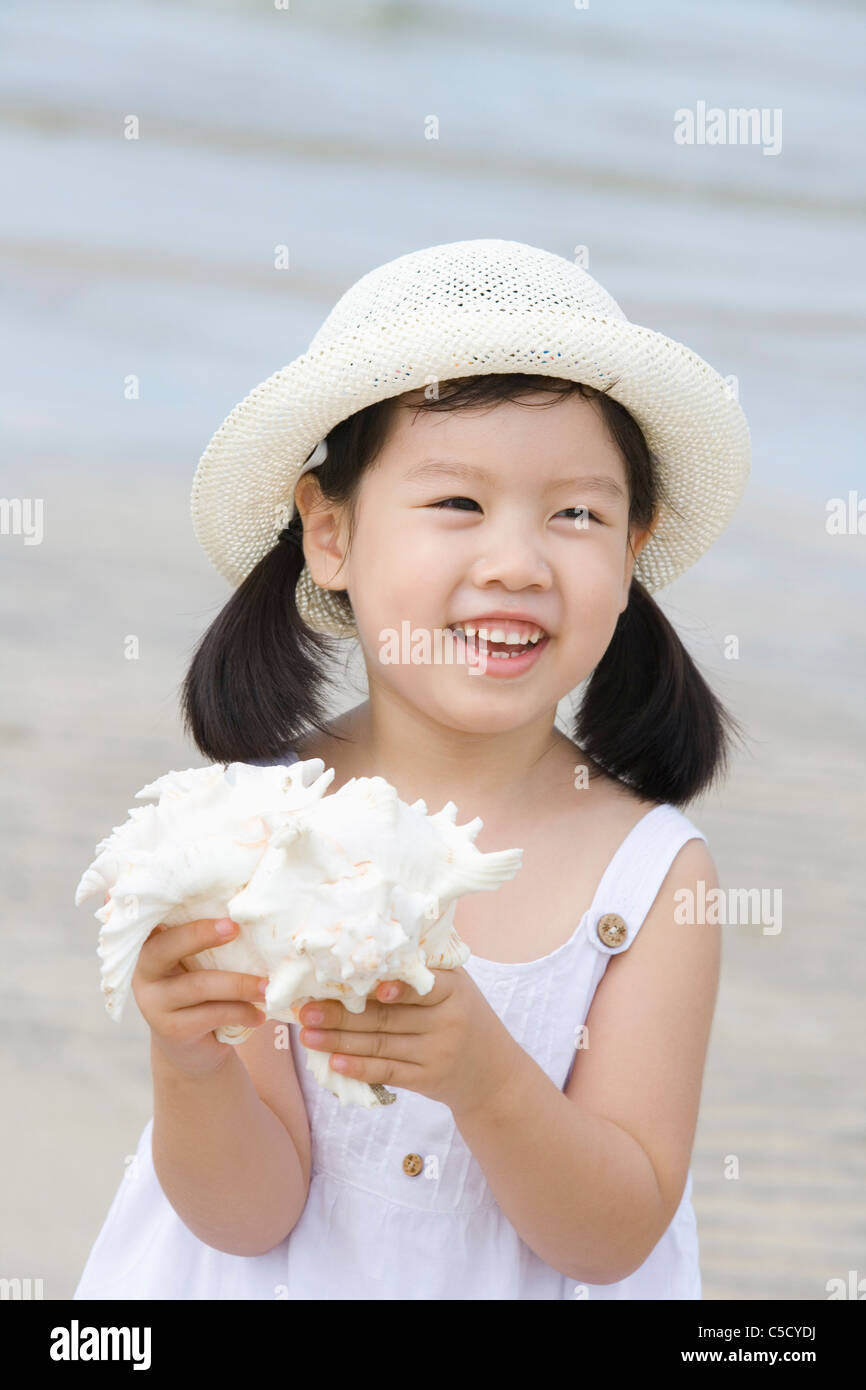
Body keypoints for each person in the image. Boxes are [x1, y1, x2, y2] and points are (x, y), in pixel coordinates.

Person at [73, 238, 750, 1299]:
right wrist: (189, 1056)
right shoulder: (262, 825)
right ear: (330, 532)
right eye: (457, 504)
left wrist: (485, 1078)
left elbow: (612, 1237)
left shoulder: (651, 877)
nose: (517, 562)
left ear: (630, 553)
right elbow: (246, 1216)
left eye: (576, 512)